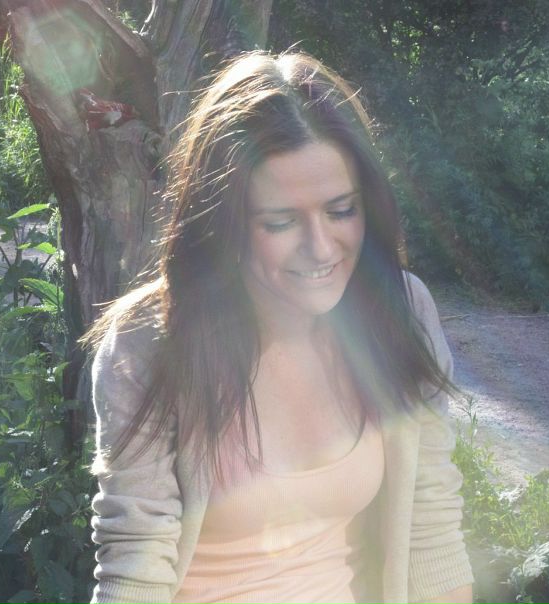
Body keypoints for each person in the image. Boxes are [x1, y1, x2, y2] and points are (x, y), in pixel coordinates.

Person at [83, 51, 474, 604]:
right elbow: (135, 564)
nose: (321, 248)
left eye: (341, 211)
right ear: (223, 223)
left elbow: (432, 528)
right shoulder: (148, 342)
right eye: (281, 222)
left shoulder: (402, 312)